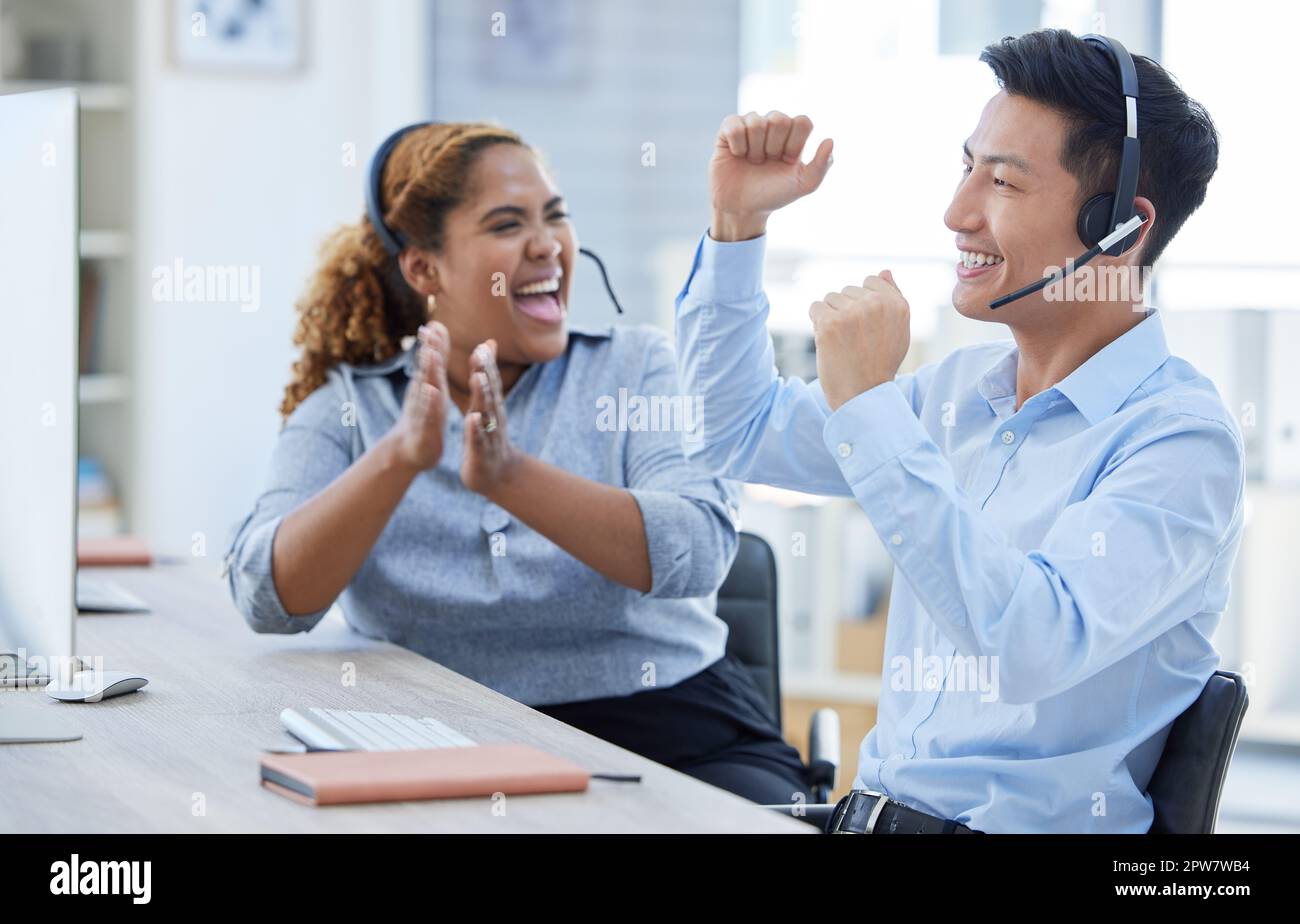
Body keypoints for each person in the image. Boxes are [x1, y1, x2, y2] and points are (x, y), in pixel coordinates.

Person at [675, 29, 1242, 832]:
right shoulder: (953, 395)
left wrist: (870, 411)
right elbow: (729, 432)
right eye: (966, 166)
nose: (957, 212)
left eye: (1003, 182)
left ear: (1119, 226)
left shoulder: (1180, 444)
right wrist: (736, 228)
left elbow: (1031, 644)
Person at [223, 121, 811, 805]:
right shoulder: (349, 407)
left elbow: (699, 546)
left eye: (555, 216)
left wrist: (510, 478)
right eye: (507, 224)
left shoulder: (638, 366)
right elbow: (268, 600)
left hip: (675, 733)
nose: (546, 245)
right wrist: (396, 461)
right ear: (423, 268)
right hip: (433, 744)